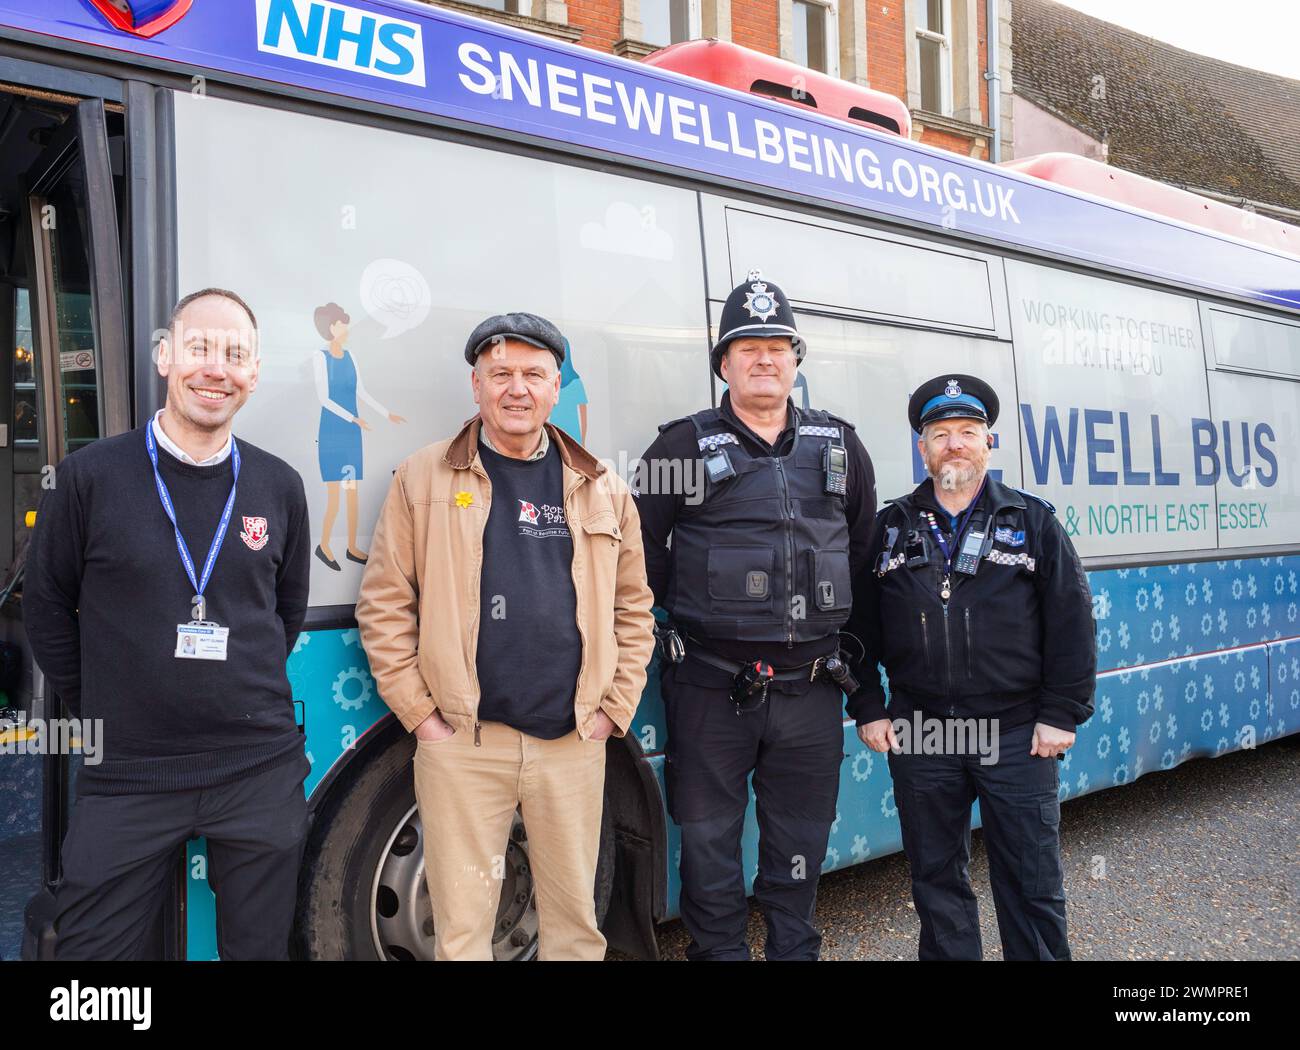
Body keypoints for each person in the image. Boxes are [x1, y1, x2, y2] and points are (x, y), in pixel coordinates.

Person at [23, 288, 312, 960]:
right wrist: (104, 704)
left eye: (235, 354)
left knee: (260, 952)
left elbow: (283, 614)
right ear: (164, 356)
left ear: (255, 373)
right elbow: (45, 608)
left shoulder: (279, 485)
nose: (217, 368)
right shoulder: (86, 478)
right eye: (199, 348)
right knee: (93, 970)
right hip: (127, 774)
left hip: (257, 771)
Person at [356, 311, 655, 961]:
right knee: (462, 930)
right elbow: (383, 605)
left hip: (574, 744)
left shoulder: (601, 485)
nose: (516, 389)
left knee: (576, 929)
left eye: (533, 375)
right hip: (464, 743)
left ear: (556, 390)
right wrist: (423, 716)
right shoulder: (423, 478)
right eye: (501, 374)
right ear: (476, 385)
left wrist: (613, 710)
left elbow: (635, 608)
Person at [636, 270, 878, 961]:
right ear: (723, 364)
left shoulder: (838, 447)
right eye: (747, 347)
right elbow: (635, 545)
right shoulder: (682, 447)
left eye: (777, 345)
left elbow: (861, 556)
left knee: (798, 847)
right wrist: (679, 614)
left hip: (811, 690)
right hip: (712, 688)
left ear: (797, 360)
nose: (764, 358)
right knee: (709, 847)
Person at [848, 373, 1096, 961]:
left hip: (1016, 732)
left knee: (1031, 882)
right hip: (923, 730)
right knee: (935, 881)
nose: (954, 444)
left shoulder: (1032, 522)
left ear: (989, 442)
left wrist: (1062, 712)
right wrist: (867, 706)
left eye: (968, 432)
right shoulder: (889, 529)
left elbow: (1072, 620)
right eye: (940, 434)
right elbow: (860, 629)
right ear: (922, 448)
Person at [312, 301, 405, 571]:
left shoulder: (350, 356)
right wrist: (353, 418)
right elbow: (324, 398)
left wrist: (386, 413)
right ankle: (325, 545)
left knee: (352, 492)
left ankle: (352, 546)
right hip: (332, 432)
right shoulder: (320, 357)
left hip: (353, 432)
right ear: (332, 327)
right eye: (343, 323)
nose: (347, 327)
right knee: (334, 495)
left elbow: (361, 391)